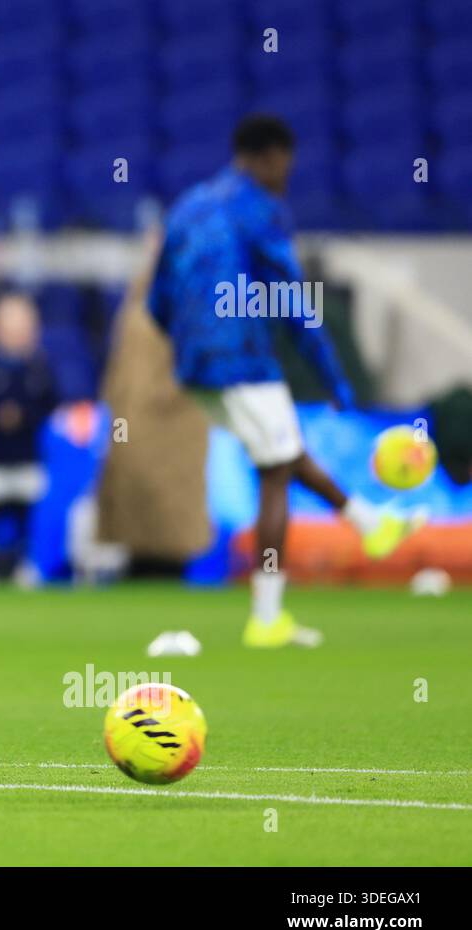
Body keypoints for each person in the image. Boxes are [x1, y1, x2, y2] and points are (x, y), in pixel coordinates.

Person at [147, 114, 421, 648]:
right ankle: (268, 617)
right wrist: (334, 379)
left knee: (282, 453)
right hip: (243, 359)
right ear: (269, 158)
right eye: (285, 166)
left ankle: (369, 523)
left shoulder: (188, 206)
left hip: (195, 365)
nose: (286, 177)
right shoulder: (259, 209)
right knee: (275, 472)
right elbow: (295, 303)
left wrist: (189, 343)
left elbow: (157, 300)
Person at [0, 290, 58, 588]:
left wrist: (23, 415)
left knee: (24, 516)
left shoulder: (39, 370)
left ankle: (23, 565)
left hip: (27, 456)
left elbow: (49, 404)